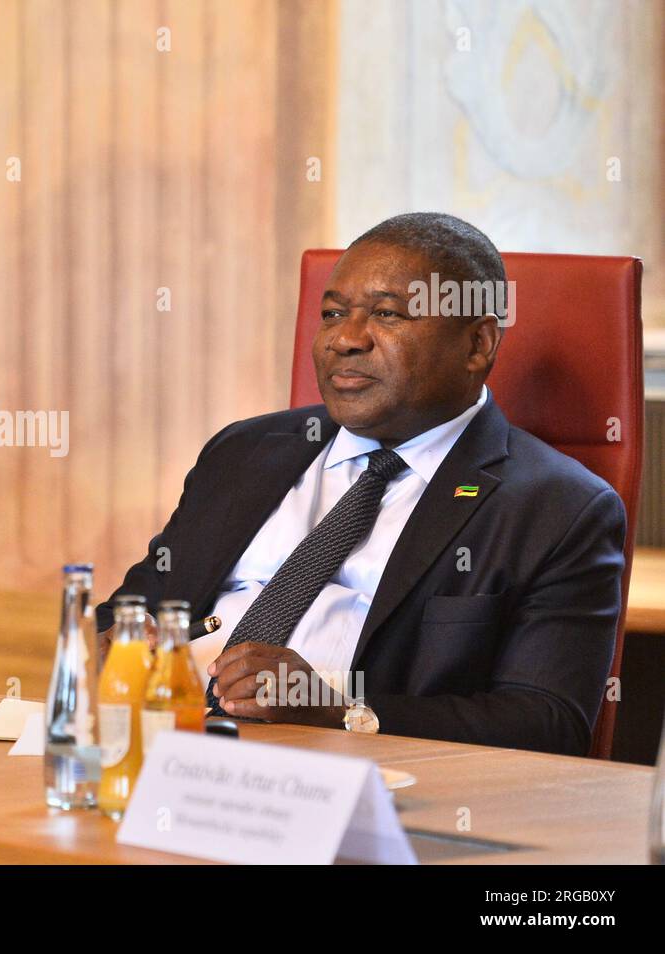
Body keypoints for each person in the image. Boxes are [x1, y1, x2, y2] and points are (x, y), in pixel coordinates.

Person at [98, 213, 625, 756]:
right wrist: (119, 646)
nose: (345, 339)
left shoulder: (558, 507)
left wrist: (336, 710)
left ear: (477, 344)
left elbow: (547, 723)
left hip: (359, 787)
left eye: (387, 314)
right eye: (332, 313)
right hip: (160, 753)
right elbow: (125, 614)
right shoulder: (243, 453)